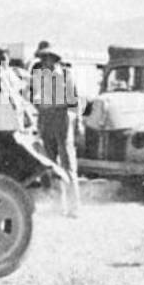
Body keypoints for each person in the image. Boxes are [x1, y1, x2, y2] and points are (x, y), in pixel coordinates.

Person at [31, 44, 81, 216]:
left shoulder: (66, 75)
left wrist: (78, 123)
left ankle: (74, 207)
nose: (44, 61)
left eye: (47, 58)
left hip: (62, 120)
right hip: (46, 121)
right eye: (42, 58)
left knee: (68, 165)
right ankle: (59, 205)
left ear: (54, 58)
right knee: (51, 164)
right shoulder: (39, 76)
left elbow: (74, 102)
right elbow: (35, 100)